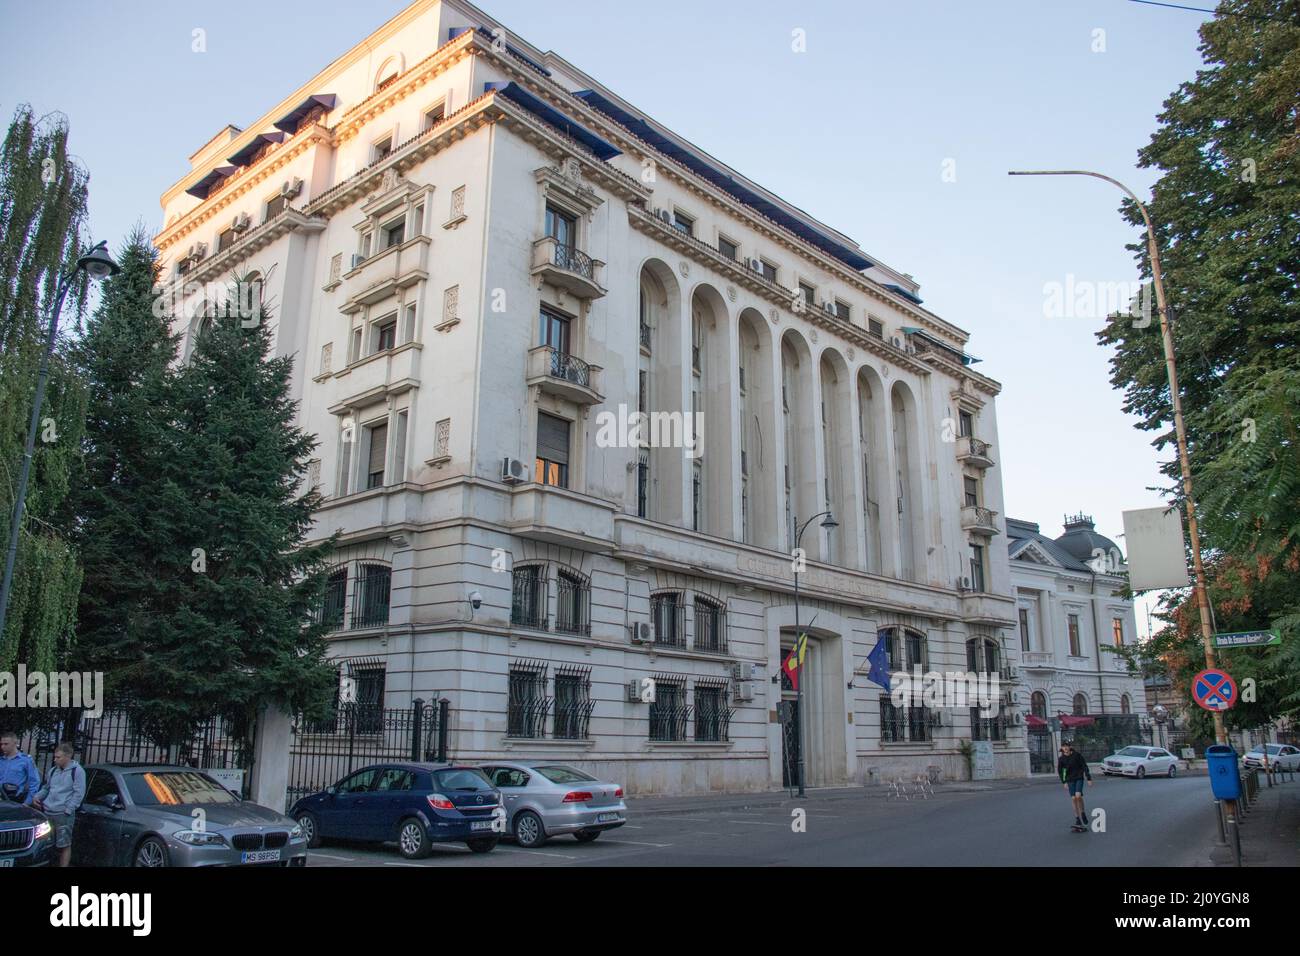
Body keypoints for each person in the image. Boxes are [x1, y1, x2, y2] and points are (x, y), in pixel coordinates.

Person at [33, 743, 87, 867]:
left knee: (64, 844)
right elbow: (47, 788)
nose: (55, 759)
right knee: (45, 843)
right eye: (55, 757)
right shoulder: (53, 771)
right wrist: (37, 796)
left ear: (68, 756)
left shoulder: (77, 771)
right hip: (48, 811)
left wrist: (68, 809)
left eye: (59, 757)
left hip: (63, 813)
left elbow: (79, 793)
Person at [1058, 741, 1093, 831]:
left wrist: (1088, 778)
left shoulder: (1077, 755)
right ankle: (1077, 818)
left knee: (1078, 796)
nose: (1065, 748)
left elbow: (1084, 766)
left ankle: (1082, 812)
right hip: (1070, 780)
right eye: (1063, 746)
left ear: (1070, 747)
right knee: (1073, 798)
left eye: (1066, 746)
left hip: (1079, 777)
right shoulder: (1061, 759)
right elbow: (1061, 771)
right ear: (1062, 748)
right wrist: (1064, 782)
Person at [0, 731, 41, 805]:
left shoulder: (25, 760)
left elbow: (34, 782)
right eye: (1, 744)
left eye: (6, 744)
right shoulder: (1, 760)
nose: (2, 747)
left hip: (14, 800)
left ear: (15, 743)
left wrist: (27, 802)